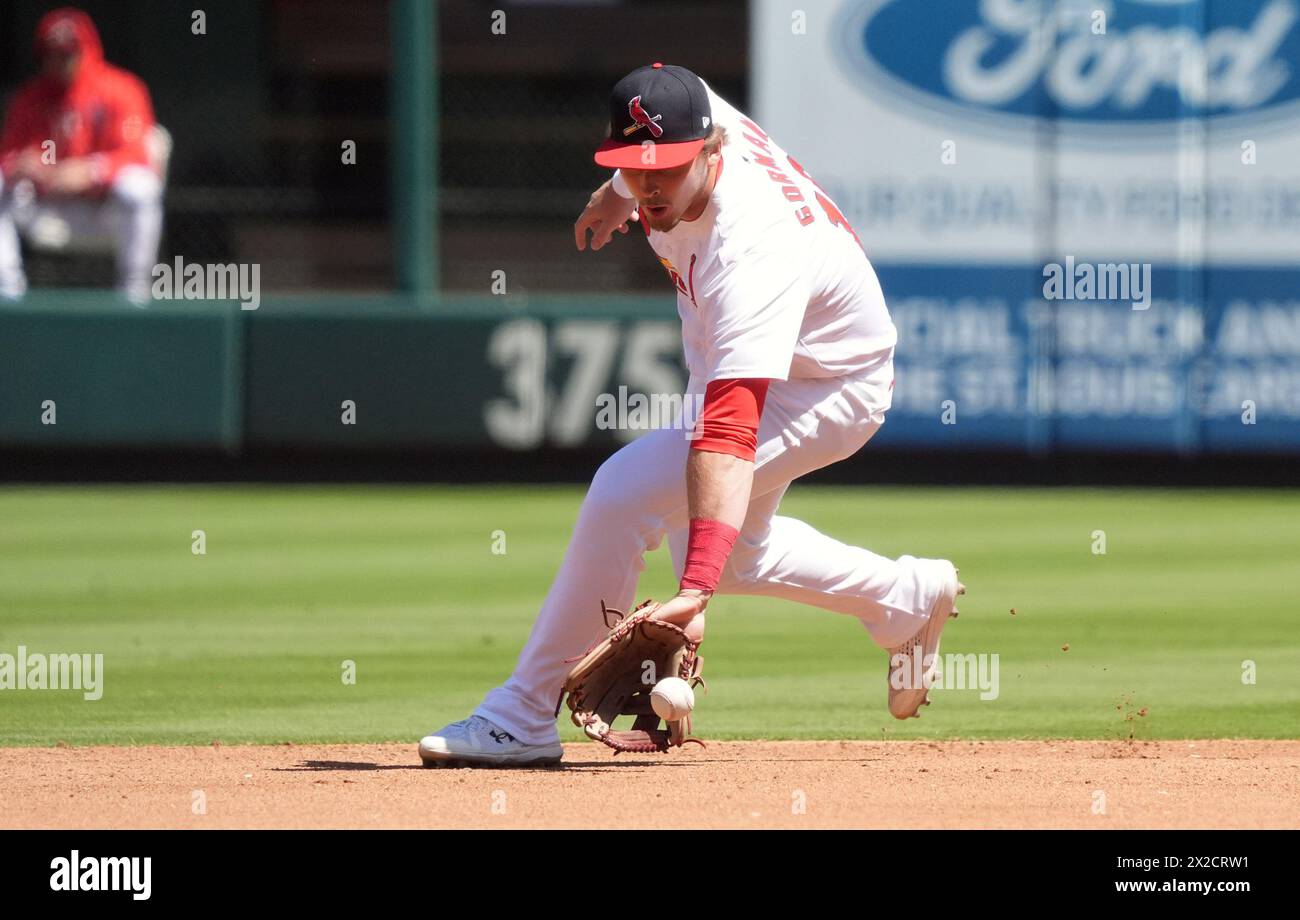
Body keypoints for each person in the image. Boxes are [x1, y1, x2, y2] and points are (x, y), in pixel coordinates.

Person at [419, 63, 964, 767]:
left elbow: (730, 431)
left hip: (830, 382)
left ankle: (522, 712)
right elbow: (653, 141)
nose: (650, 185)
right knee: (737, 552)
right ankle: (905, 599)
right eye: (630, 166)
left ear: (712, 154)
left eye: (667, 171)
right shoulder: (685, 120)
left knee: (623, 496)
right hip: (756, 350)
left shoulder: (752, 244)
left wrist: (692, 594)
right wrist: (615, 192)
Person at [0, 7, 163, 304]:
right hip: (47, 206)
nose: (60, 61)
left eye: (69, 52)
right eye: (52, 53)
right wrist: (21, 164)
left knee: (141, 188)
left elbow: (139, 154)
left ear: (88, 50)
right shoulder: (29, 98)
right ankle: (7, 293)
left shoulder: (122, 89)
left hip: (104, 208)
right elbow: (6, 157)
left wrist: (93, 169)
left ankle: (135, 295)